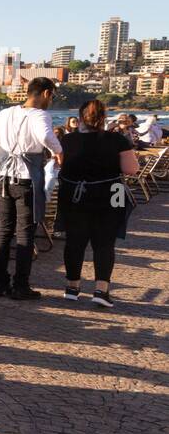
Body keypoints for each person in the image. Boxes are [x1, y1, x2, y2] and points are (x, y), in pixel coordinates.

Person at [0, 77, 63, 299]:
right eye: (52, 96)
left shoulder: (6, 113)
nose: (52, 101)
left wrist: (11, 146)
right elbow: (46, 136)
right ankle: (20, 286)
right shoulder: (40, 114)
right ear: (46, 93)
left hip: (5, 177)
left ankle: (0, 283)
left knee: (4, 230)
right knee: (25, 232)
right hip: (26, 178)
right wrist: (58, 151)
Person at [57, 100, 140, 308]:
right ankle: (101, 290)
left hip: (74, 195)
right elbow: (131, 170)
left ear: (80, 116)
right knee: (104, 243)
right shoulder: (117, 140)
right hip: (112, 193)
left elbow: (61, 166)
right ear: (104, 116)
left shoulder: (66, 140)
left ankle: (72, 288)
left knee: (74, 241)